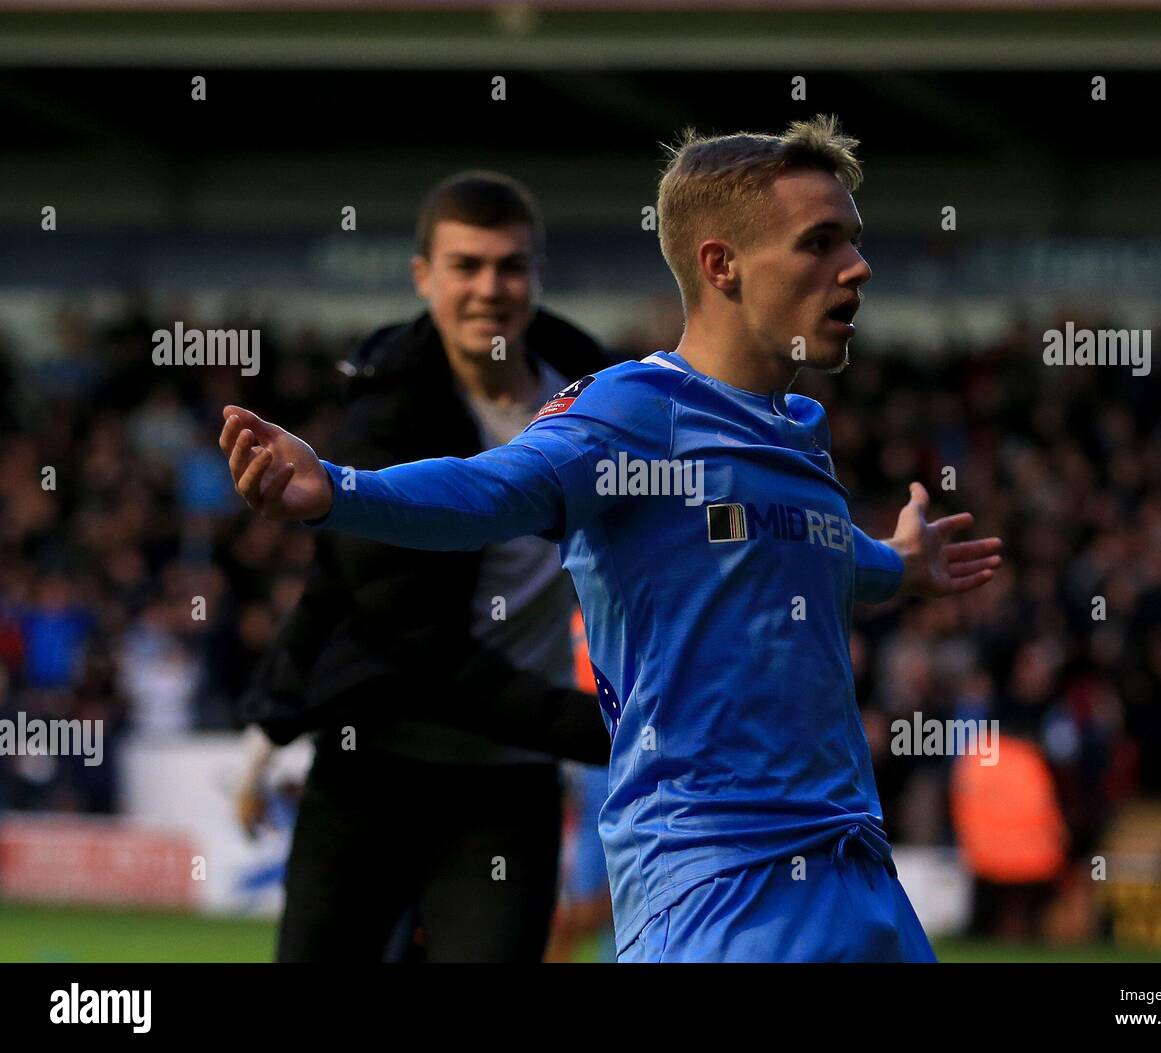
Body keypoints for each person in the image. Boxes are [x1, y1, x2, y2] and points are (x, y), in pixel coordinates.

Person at [219, 115, 1003, 962]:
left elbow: (822, 552)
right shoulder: (632, 414)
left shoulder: (796, 437)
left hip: (857, 868)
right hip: (718, 885)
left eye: (853, 240)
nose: (857, 267)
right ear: (721, 264)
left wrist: (901, 566)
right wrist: (335, 488)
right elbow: (491, 489)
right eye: (820, 243)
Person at [236, 171, 611, 962]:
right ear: (422, 277)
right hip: (370, 765)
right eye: (466, 266)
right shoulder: (384, 416)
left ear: (536, 275)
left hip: (510, 788)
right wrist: (270, 731)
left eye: (511, 265)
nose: (490, 288)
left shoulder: (603, 398)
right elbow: (382, 615)